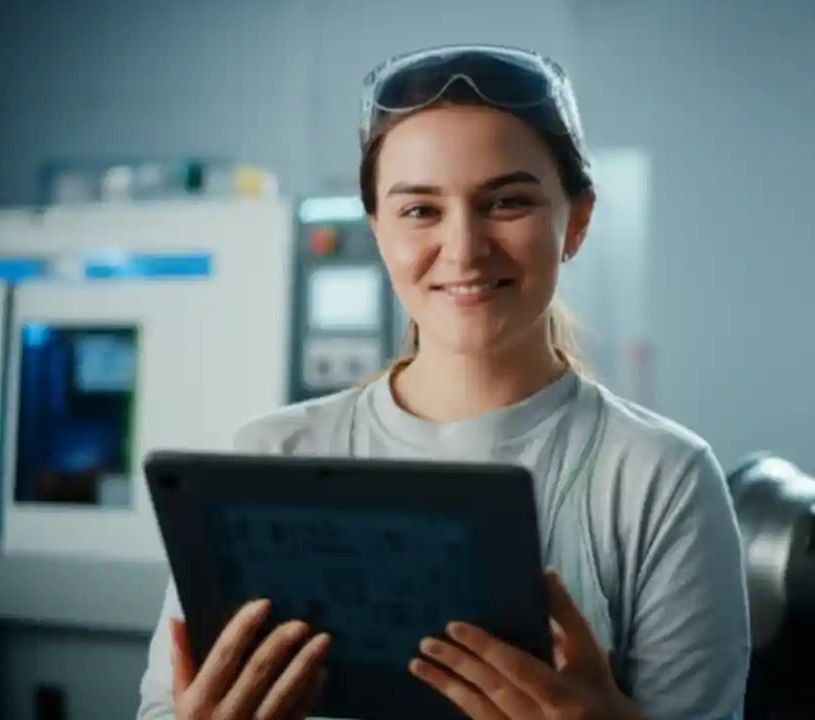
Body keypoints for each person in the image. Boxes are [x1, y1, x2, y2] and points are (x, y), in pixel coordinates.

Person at [137, 44, 751, 720]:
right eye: (420, 211)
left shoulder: (660, 479)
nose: (464, 249)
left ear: (576, 221)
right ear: (377, 230)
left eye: (507, 202)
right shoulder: (268, 461)